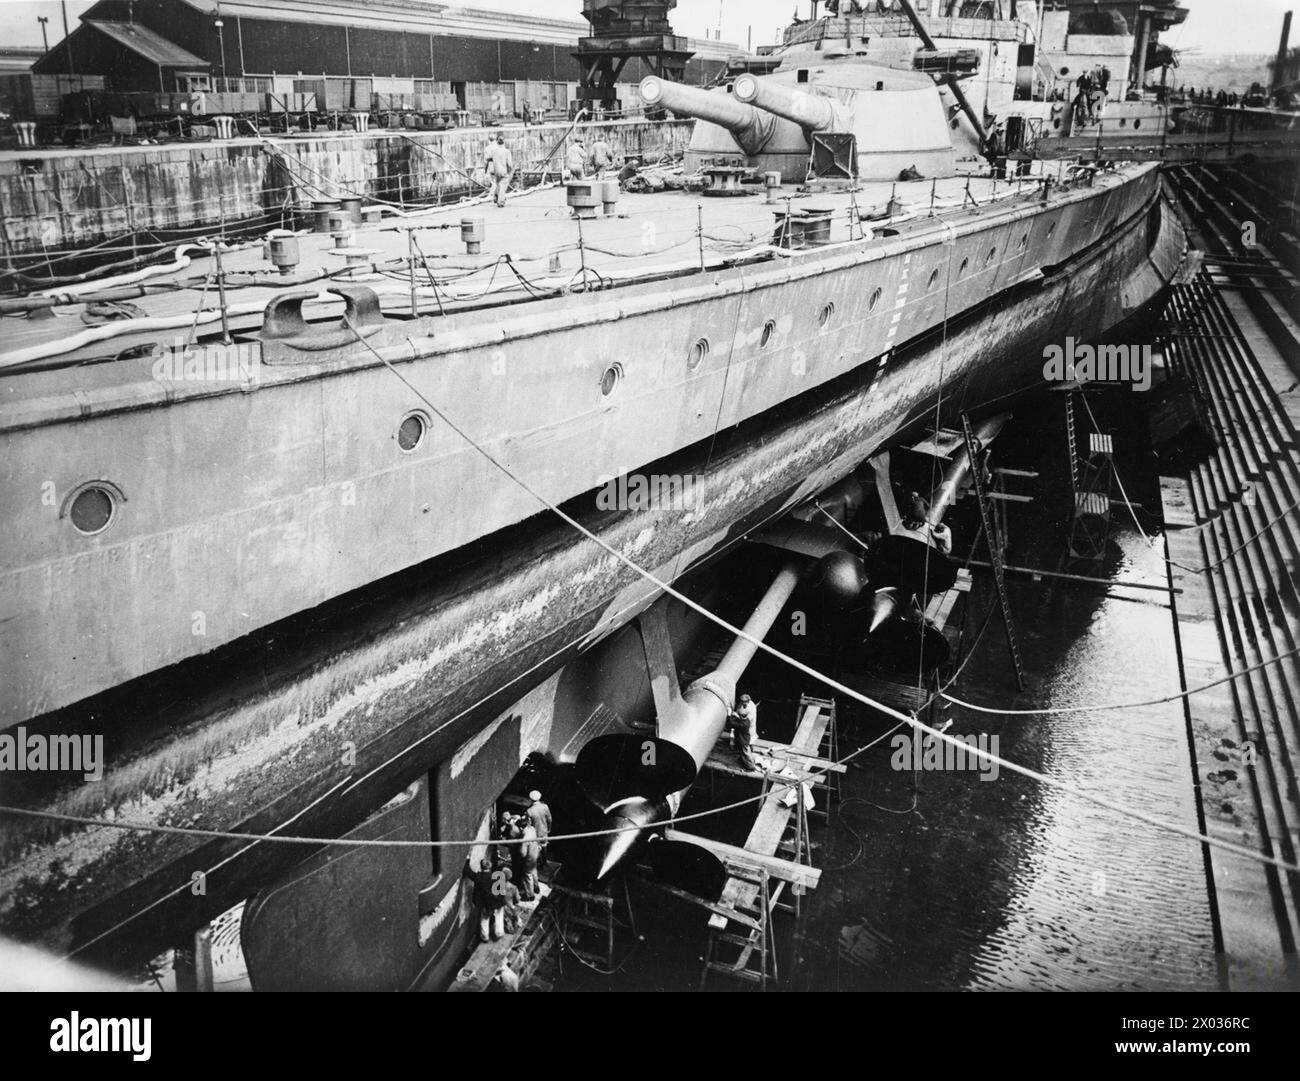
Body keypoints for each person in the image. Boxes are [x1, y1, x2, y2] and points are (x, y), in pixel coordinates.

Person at [466, 857, 505, 943]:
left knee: (484, 919)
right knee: (499, 917)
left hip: (486, 904)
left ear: (481, 867)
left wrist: (467, 859)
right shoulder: (497, 876)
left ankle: (485, 937)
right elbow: (502, 890)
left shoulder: (479, 877)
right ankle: (498, 933)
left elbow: (467, 871)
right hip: (497, 901)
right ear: (490, 866)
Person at [729, 693, 759, 772]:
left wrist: (733, 716)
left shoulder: (751, 708)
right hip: (743, 734)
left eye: (744, 702)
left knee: (746, 750)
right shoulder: (741, 706)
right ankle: (747, 761)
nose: (742, 703)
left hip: (745, 733)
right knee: (744, 749)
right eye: (742, 702)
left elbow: (743, 722)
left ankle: (750, 766)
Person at [482, 133, 514, 207]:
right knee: (503, 186)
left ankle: (496, 197)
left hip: (496, 171)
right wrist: (510, 171)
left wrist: (485, 169)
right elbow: (509, 164)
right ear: (504, 142)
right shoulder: (507, 151)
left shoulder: (494, 151)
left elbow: (488, 159)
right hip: (503, 171)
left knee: (497, 184)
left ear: (497, 142)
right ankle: (500, 202)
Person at [526, 790, 551, 866]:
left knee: (536, 848)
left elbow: (529, 826)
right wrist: (549, 829)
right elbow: (550, 819)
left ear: (531, 799)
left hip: (535, 833)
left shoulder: (529, 811)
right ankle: (544, 862)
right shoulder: (545, 807)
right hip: (544, 831)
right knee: (544, 846)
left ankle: (539, 864)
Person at [518, 822, 541, 901]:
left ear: (521, 828)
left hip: (529, 858)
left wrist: (519, 848)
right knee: (534, 870)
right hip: (536, 853)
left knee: (528, 875)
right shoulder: (532, 829)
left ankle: (530, 895)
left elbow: (523, 853)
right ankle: (536, 887)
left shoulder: (524, 838)